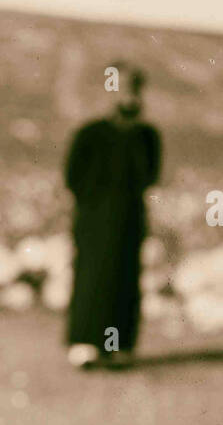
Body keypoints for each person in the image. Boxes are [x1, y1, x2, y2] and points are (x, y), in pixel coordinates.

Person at [65, 63, 162, 367]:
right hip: (93, 221)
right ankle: (85, 343)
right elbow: (74, 177)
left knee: (125, 279)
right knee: (92, 277)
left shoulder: (146, 136)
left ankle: (118, 346)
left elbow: (149, 176)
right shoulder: (90, 134)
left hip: (129, 219)